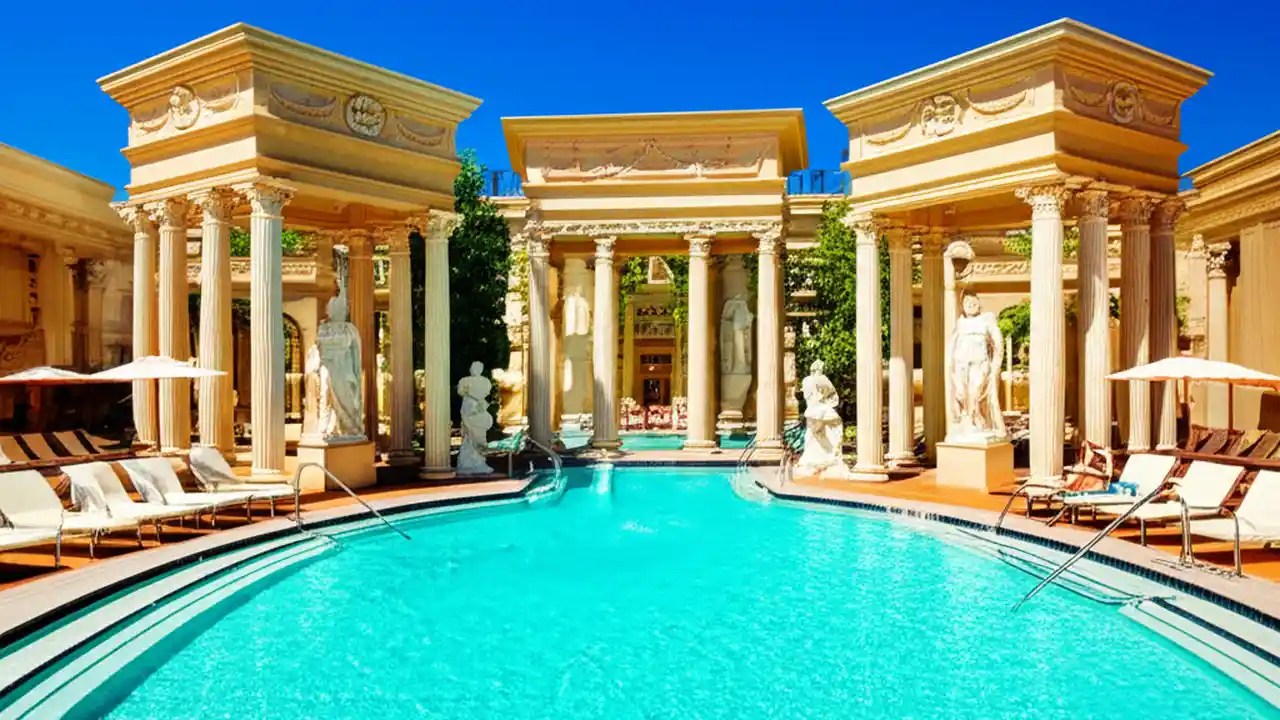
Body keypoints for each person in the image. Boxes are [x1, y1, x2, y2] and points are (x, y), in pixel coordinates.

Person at [947, 289, 1006, 441]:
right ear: (962, 305)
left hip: (980, 363)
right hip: (961, 365)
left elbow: (998, 343)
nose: (971, 304)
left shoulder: (987, 321)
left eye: (974, 301)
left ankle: (979, 423)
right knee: (962, 394)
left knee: (976, 393)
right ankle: (968, 424)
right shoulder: (960, 323)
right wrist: (952, 368)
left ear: (979, 304)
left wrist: (996, 365)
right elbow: (952, 347)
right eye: (967, 302)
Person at [456, 361, 494, 475]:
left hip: (478, 409)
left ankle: (479, 463)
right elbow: (460, 391)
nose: (474, 369)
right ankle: (467, 464)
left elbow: (462, 391)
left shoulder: (484, 381)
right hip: (470, 408)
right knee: (470, 436)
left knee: (480, 435)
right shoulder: (466, 380)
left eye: (477, 368)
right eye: (473, 367)